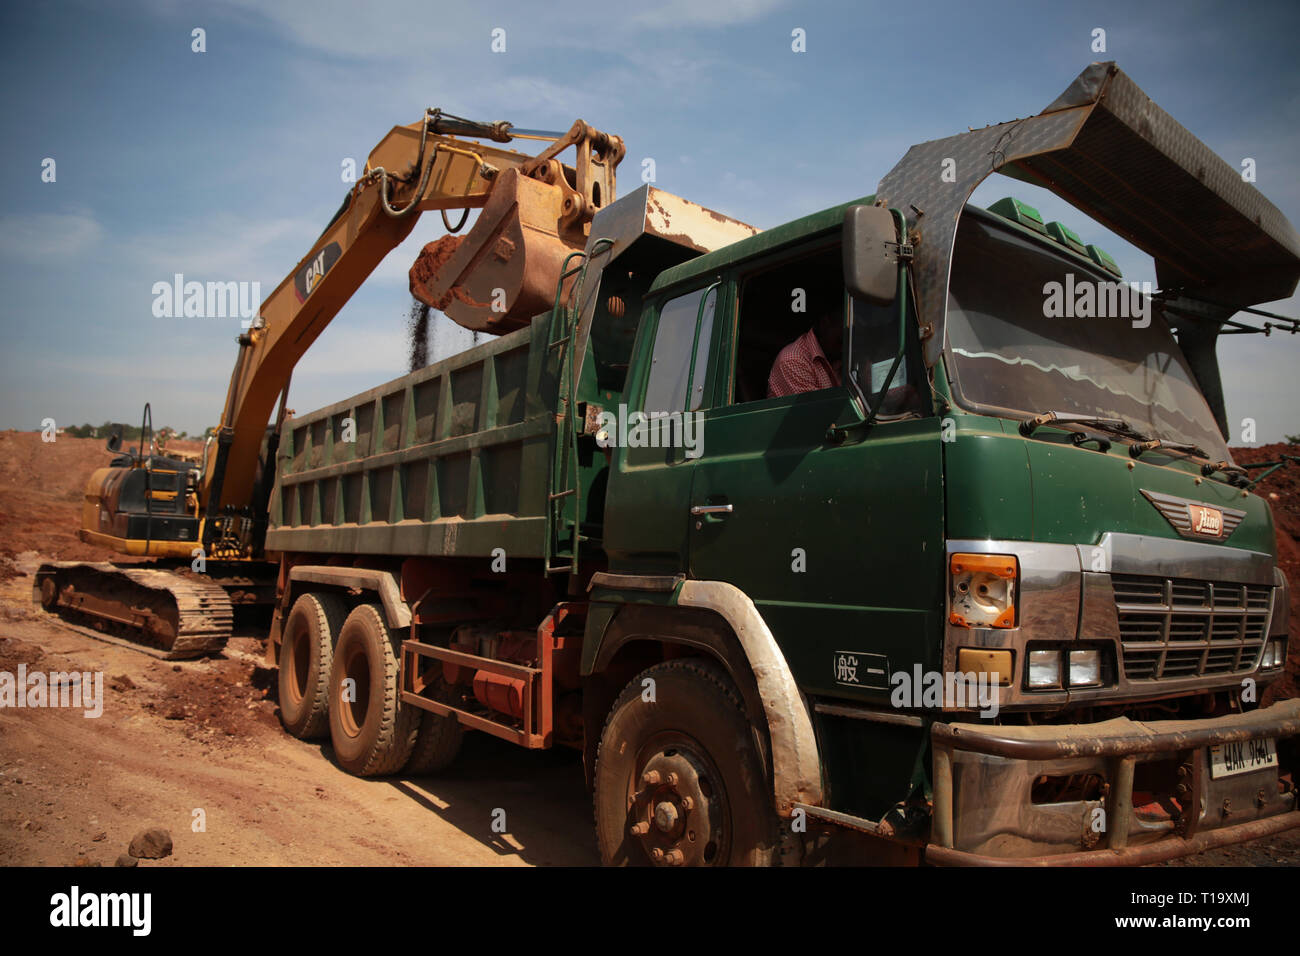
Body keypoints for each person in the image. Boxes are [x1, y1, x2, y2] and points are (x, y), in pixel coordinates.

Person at [767, 307, 842, 398]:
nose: (849, 340)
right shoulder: (794, 360)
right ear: (825, 323)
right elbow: (818, 410)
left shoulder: (838, 354)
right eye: (841, 338)